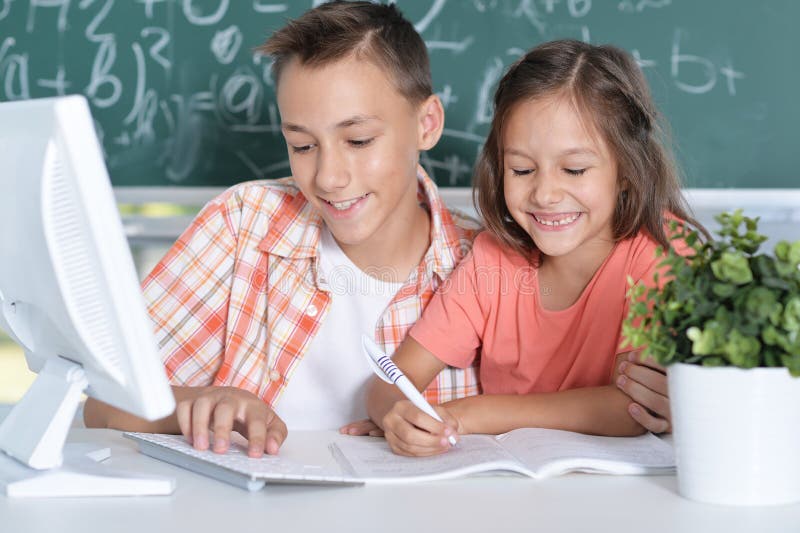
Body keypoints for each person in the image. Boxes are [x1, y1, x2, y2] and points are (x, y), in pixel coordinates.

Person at [84, 5, 671, 454]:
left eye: (359, 140)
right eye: (301, 144)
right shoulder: (242, 227)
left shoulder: (488, 259)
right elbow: (99, 404)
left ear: (427, 123)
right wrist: (193, 405)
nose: (330, 176)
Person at [365, 39, 705, 457]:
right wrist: (396, 414)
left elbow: (630, 408)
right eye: (522, 169)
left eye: (574, 169)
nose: (545, 193)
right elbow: (392, 380)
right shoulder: (494, 260)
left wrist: (471, 415)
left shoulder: (663, 255)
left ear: (626, 172)